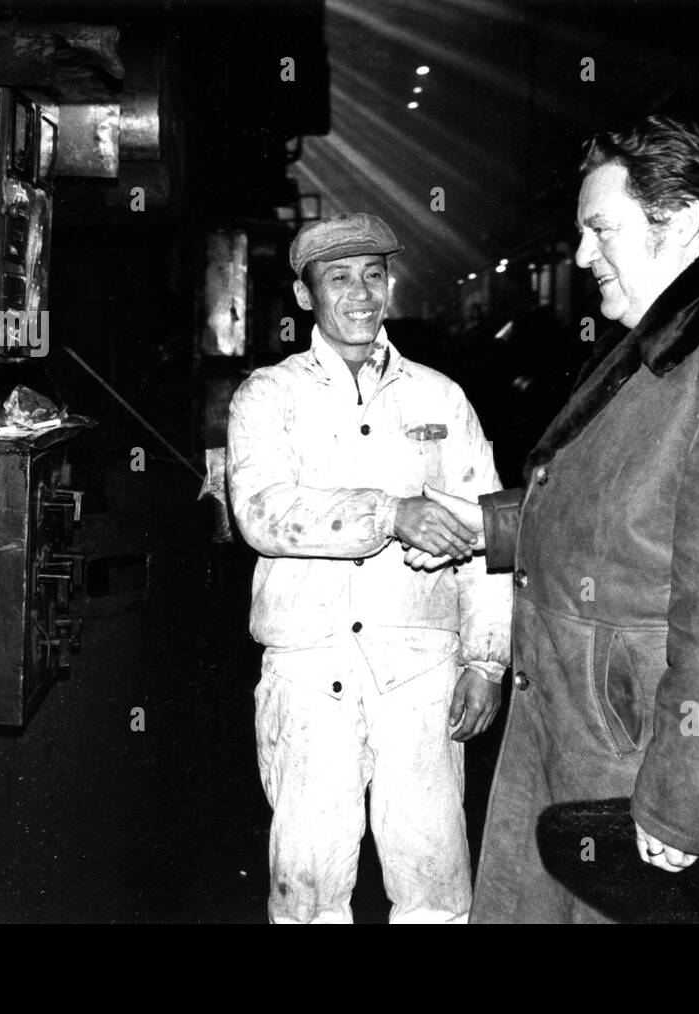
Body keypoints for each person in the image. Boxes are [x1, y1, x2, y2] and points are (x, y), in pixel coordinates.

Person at [409, 115, 699, 922]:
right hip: (599, 754)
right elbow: (639, 514)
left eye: (600, 230)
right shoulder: (684, 332)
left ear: (681, 219)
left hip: (650, 777)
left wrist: (685, 801)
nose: (582, 257)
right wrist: (494, 527)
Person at [226, 212, 511, 923]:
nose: (360, 294)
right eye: (338, 277)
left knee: (435, 887)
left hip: (422, 673)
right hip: (308, 671)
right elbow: (261, 511)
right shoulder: (269, 396)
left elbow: (490, 536)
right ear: (304, 295)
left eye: (374, 276)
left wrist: (486, 662)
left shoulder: (440, 397)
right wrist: (390, 513)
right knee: (309, 890)